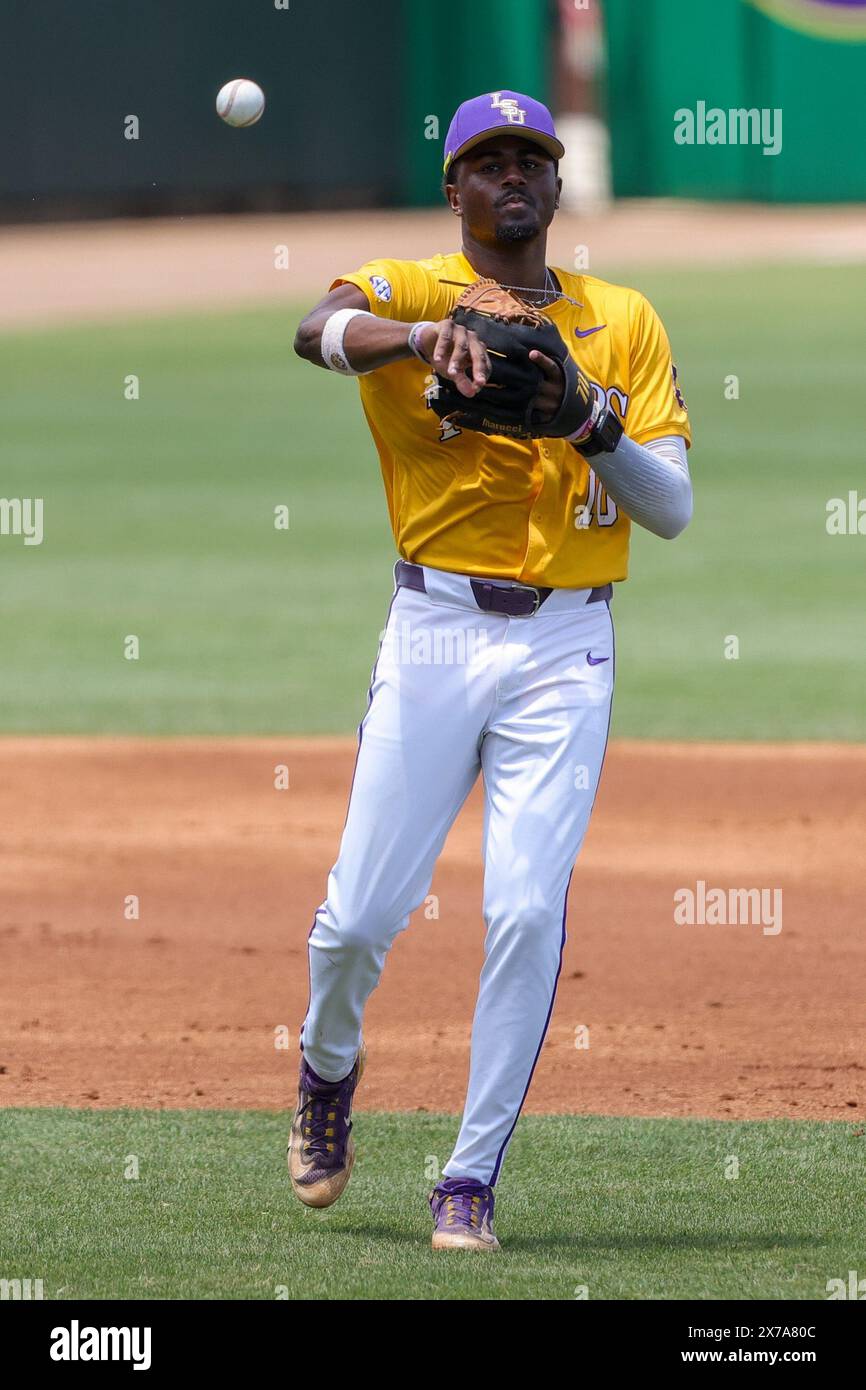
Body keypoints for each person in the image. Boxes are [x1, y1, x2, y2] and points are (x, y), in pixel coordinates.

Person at [288, 90, 693, 1252]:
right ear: (452, 188)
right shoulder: (409, 287)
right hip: (433, 631)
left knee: (522, 907)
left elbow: (669, 511)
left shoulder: (622, 319)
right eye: (486, 160)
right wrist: (416, 339)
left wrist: (589, 422)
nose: (511, 175)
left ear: (556, 187)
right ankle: (325, 1066)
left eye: (532, 158)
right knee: (356, 918)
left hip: (567, 640)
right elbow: (312, 329)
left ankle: (467, 1178)